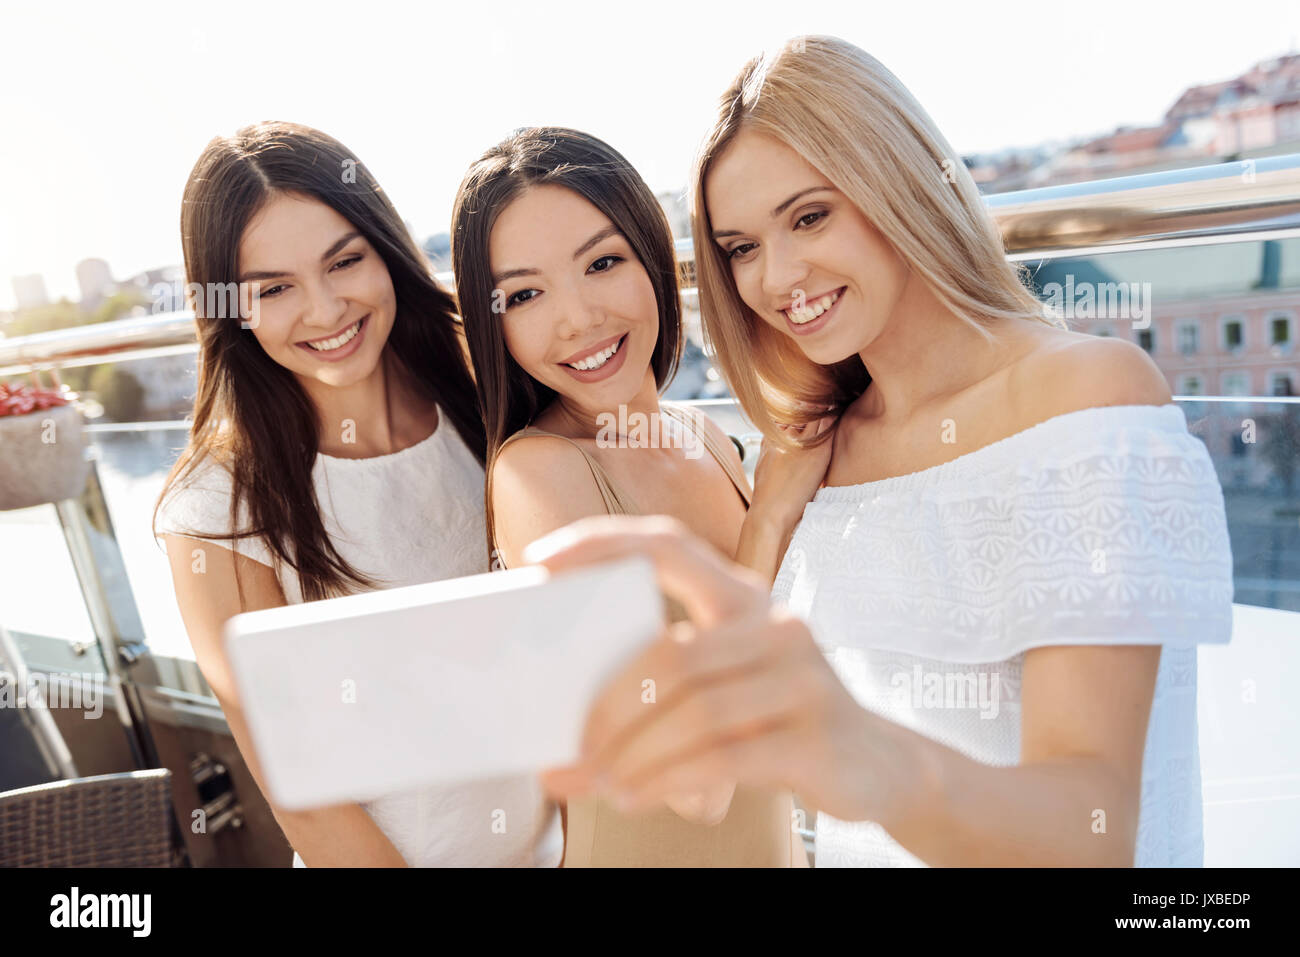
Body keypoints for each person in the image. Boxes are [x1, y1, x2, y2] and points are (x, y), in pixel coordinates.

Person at [538, 36, 1234, 867]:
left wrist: (864, 758)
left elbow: (1094, 830)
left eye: (810, 215)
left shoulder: (1089, 393)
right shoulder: (819, 448)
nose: (778, 277)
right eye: (742, 248)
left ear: (900, 181)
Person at [153, 121, 561, 867]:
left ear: (386, 251)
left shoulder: (484, 394)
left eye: (345, 261)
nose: (325, 309)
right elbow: (302, 791)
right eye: (273, 288)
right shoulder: (218, 509)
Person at [451, 127, 813, 865]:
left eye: (604, 262)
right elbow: (698, 786)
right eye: (524, 293)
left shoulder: (706, 437)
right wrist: (771, 515)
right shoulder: (536, 478)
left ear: (654, 258)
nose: (577, 318)